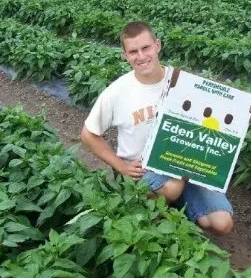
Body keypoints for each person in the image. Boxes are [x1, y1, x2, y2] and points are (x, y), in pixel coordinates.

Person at [81, 21, 233, 235]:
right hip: (142, 169)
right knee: (172, 189)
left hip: (184, 165)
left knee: (221, 223)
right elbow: (88, 134)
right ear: (125, 56)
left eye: (146, 48)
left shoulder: (183, 82)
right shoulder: (117, 92)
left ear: (157, 45)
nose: (141, 56)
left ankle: (174, 205)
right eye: (133, 51)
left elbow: (214, 119)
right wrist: (121, 167)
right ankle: (161, 210)